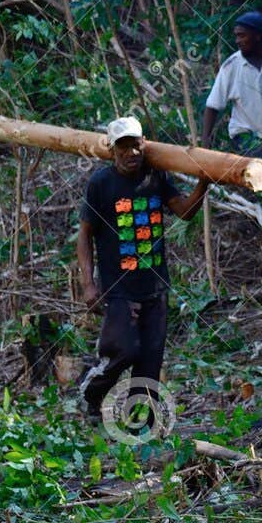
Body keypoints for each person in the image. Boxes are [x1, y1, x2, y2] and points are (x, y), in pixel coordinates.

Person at [76, 117, 210, 419]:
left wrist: (204, 182)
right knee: (124, 349)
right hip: (118, 287)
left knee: (150, 360)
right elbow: (84, 235)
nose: (130, 153)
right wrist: (88, 283)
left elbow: (184, 212)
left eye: (135, 146)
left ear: (143, 144)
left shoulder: (156, 175)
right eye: (123, 147)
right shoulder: (101, 183)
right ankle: (92, 391)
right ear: (112, 150)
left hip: (155, 285)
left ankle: (141, 421)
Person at [201, 11, 262, 156]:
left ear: (257, 36)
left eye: (242, 35)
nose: (237, 40)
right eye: (236, 36)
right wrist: (205, 144)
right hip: (244, 138)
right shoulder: (231, 66)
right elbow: (213, 105)